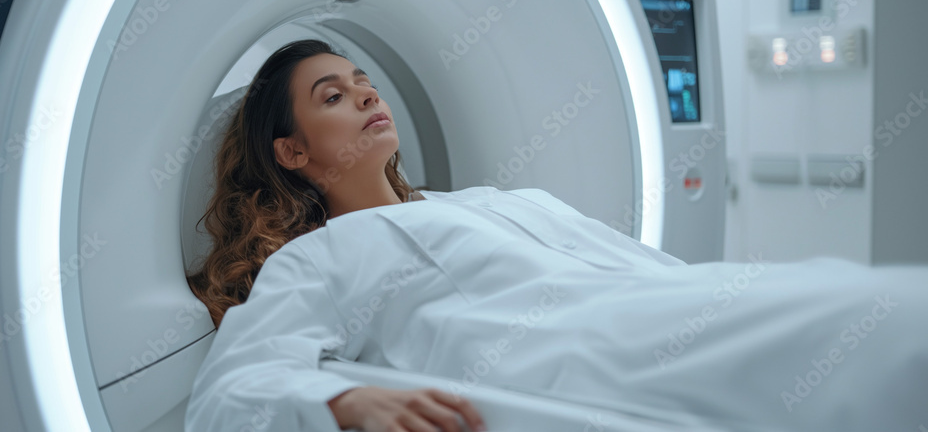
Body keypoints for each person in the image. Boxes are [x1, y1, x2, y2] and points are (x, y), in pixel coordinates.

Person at [185, 38, 927, 432]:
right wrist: (347, 402)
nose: (366, 93)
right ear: (292, 152)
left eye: (361, 79)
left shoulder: (485, 201)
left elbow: (638, 271)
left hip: (664, 306)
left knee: (835, 297)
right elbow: (231, 393)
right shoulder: (319, 256)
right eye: (333, 97)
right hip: (585, 357)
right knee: (873, 324)